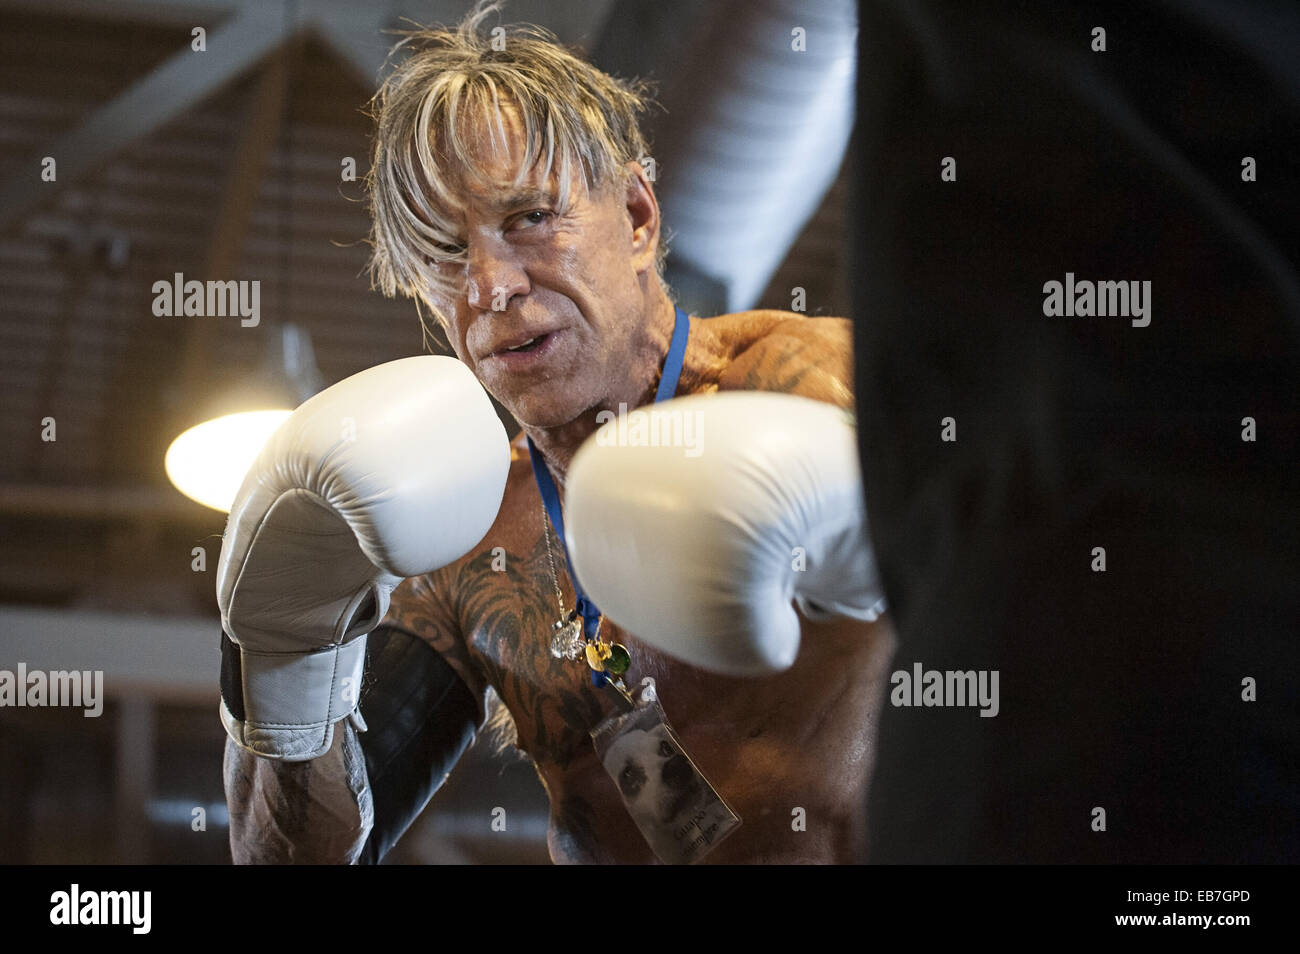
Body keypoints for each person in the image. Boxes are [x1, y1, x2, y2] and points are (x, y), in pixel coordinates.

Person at [220, 1, 893, 864]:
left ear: (638, 216)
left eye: (530, 218)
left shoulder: (816, 387)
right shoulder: (467, 548)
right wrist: (282, 650)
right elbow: (292, 859)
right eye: (446, 252)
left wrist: (885, 544)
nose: (492, 284)